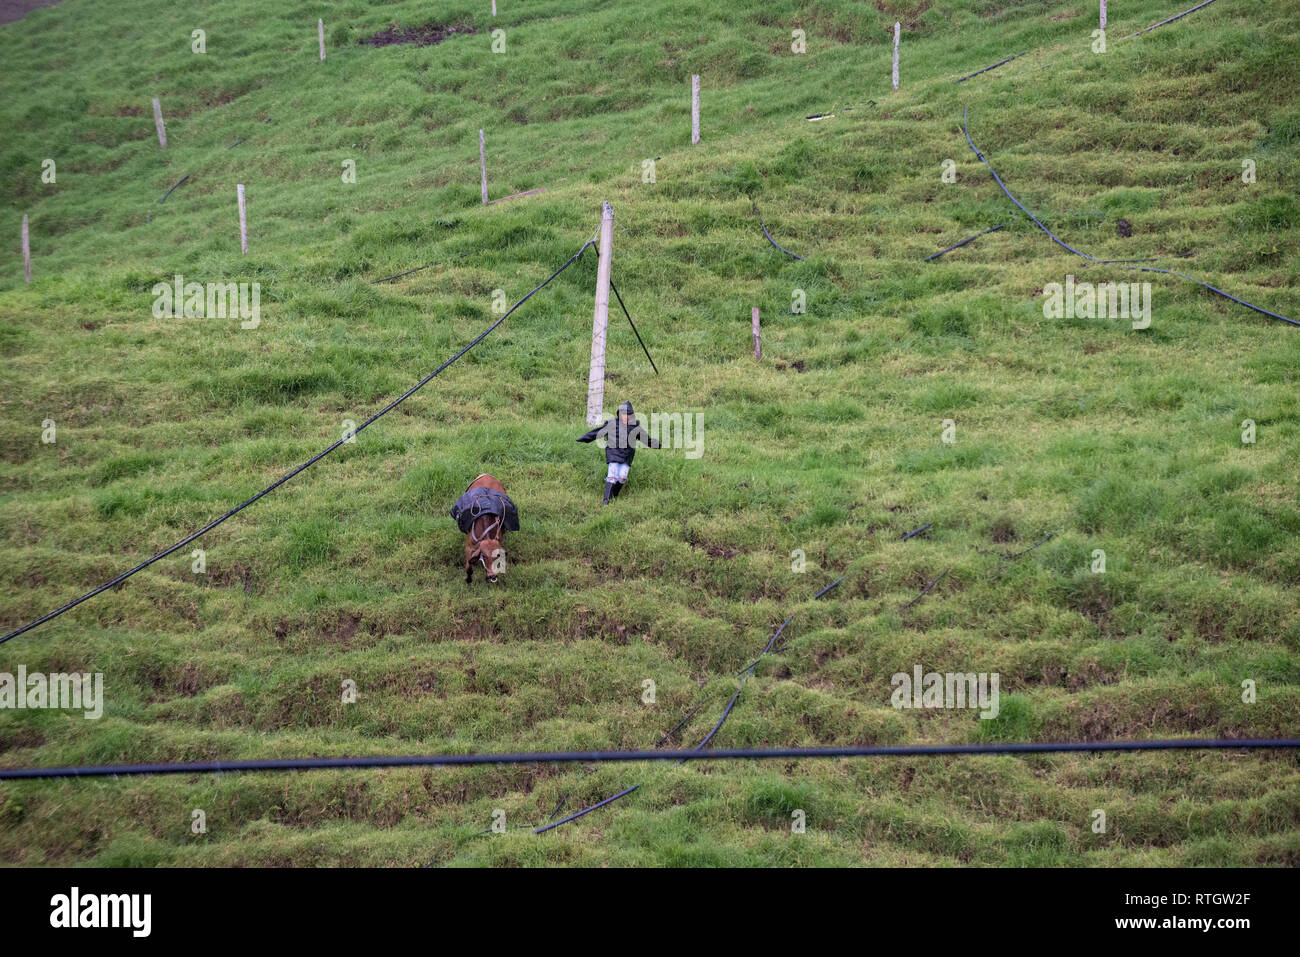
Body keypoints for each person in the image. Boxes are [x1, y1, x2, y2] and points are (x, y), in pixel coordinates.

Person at [577, 400, 660, 505]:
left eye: (627, 414)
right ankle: (606, 501)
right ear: (619, 414)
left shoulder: (635, 427)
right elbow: (598, 432)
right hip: (613, 452)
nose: (624, 416)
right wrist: (584, 438)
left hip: (627, 456)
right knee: (612, 475)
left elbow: (646, 439)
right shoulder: (612, 423)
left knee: (622, 477)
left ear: (630, 415)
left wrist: (657, 444)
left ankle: (614, 496)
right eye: (622, 414)